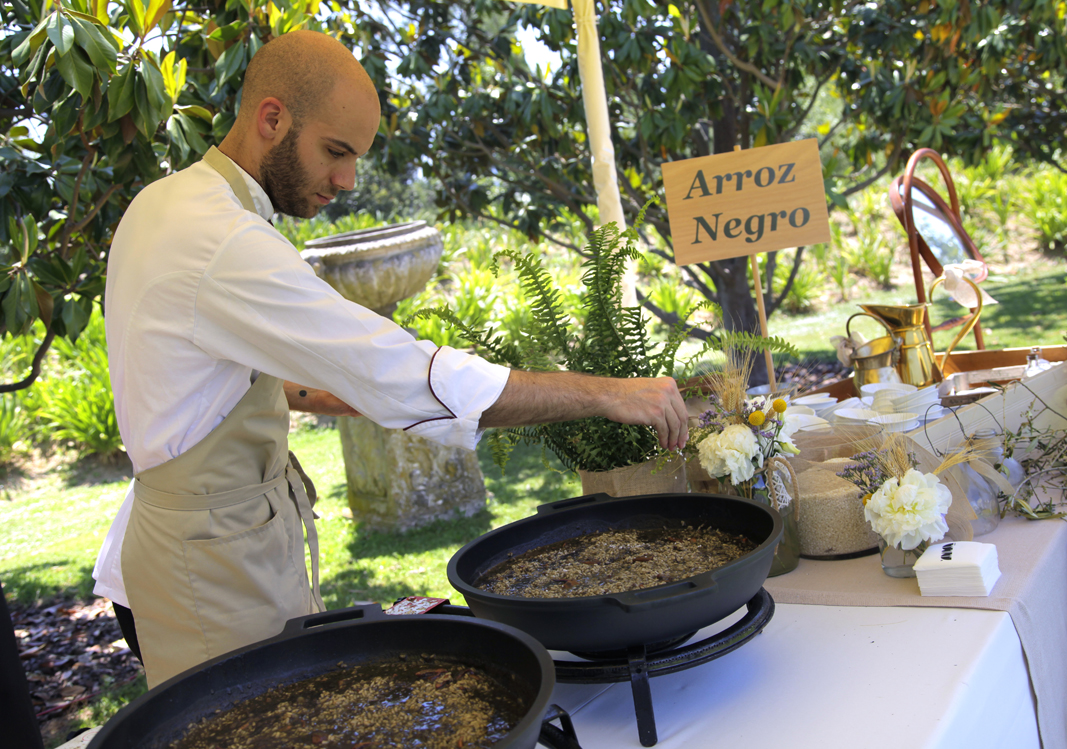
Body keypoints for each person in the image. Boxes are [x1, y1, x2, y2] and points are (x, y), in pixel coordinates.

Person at [93, 30, 689, 687]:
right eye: (335, 151)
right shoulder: (219, 239)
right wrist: (607, 394)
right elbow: (403, 374)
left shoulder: (166, 203)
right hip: (207, 569)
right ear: (271, 118)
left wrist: (353, 391)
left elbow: (237, 379)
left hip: (196, 543)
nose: (345, 181)